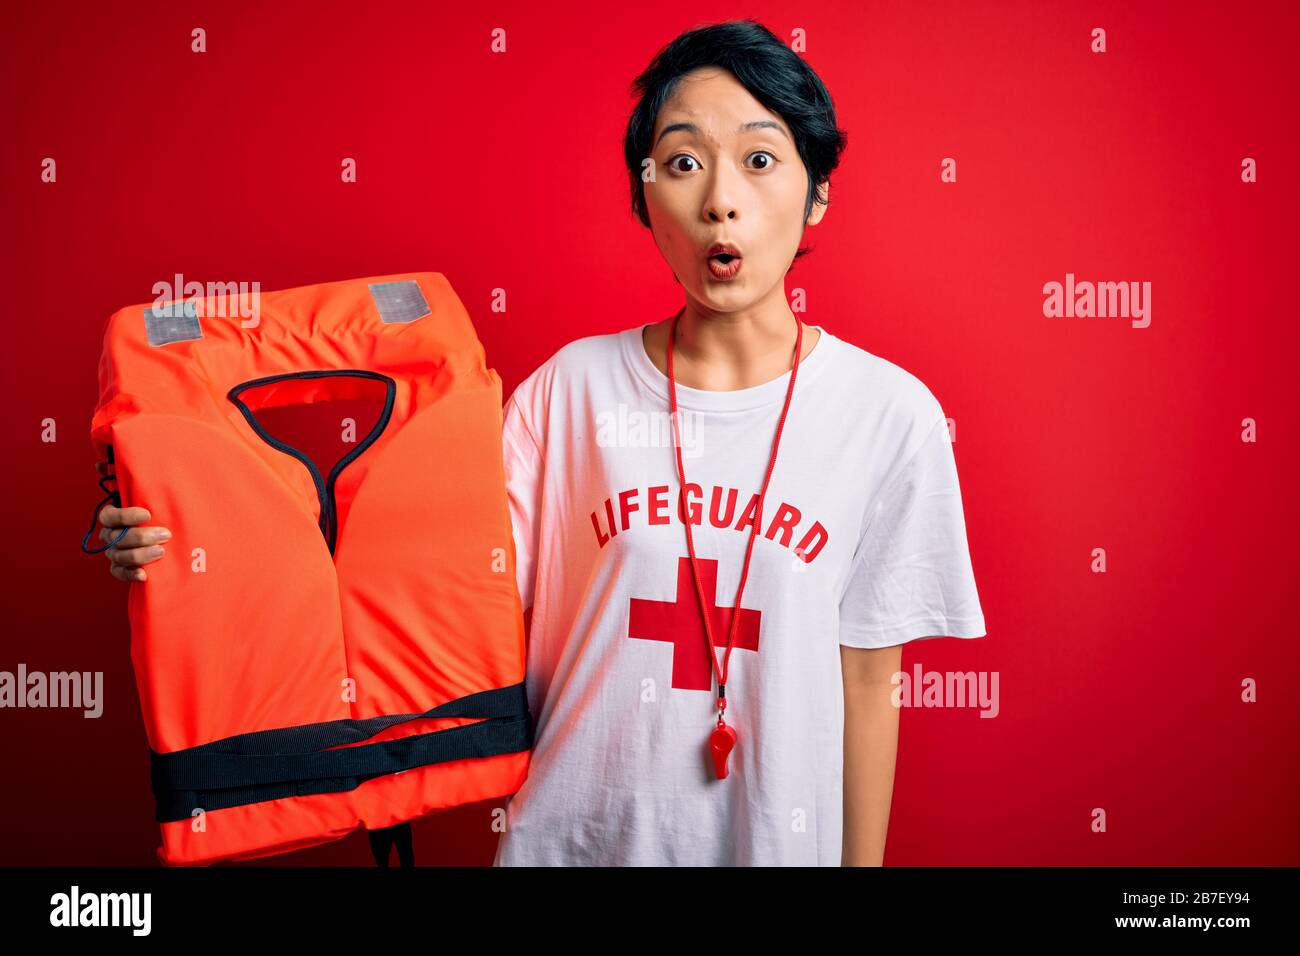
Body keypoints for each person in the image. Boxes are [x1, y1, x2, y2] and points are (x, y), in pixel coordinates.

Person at [95, 19, 986, 866]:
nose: (721, 201)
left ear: (818, 191)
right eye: (682, 163)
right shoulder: (569, 391)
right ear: (645, 197)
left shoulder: (888, 414)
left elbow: (869, 685)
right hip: (572, 838)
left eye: (760, 160)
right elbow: (414, 582)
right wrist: (193, 544)